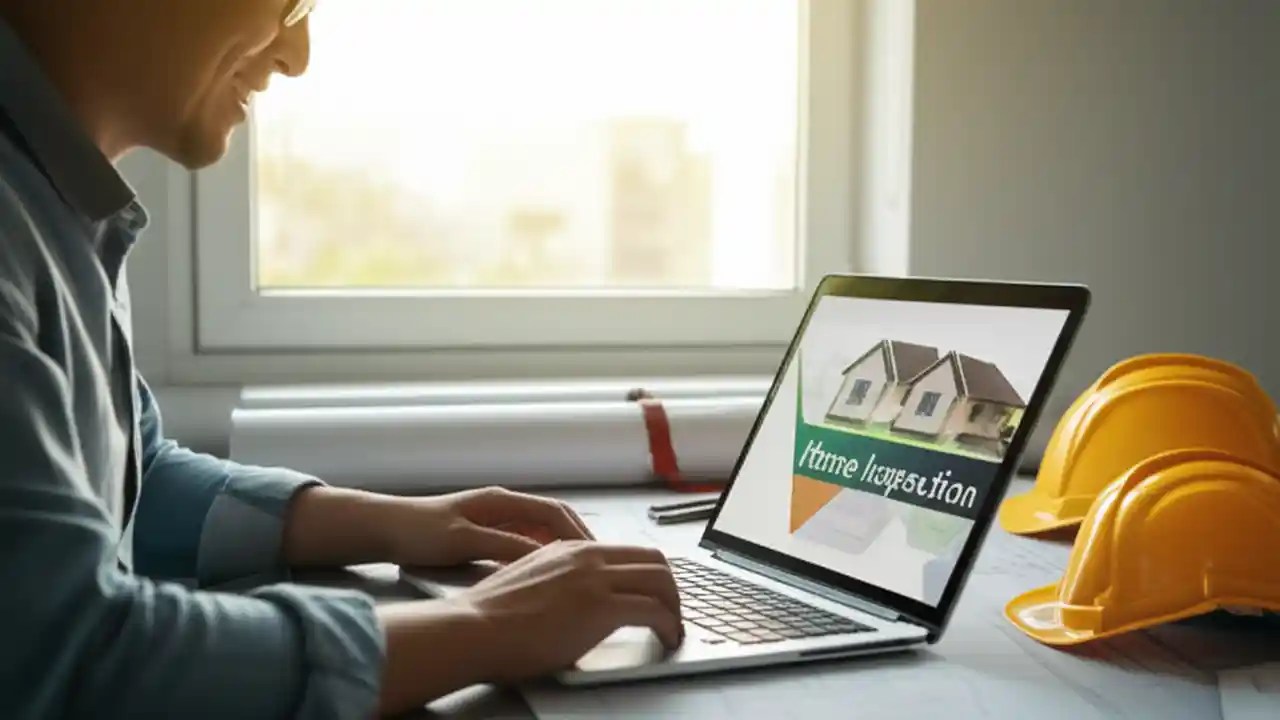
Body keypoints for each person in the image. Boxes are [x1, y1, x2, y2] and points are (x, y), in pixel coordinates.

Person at [0, 1, 683, 717]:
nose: (296, 54)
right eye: (291, 4)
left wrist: (395, 522)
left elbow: (135, 477)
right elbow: (76, 657)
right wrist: (486, 626)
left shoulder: (59, 205)